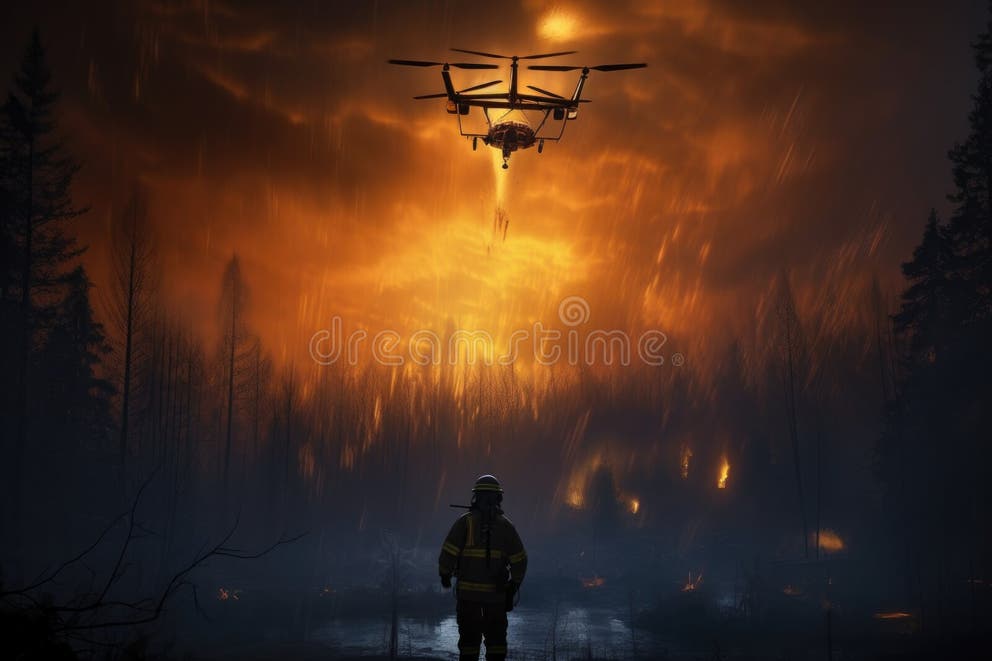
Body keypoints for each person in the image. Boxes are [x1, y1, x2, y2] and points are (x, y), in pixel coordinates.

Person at [438, 474, 527, 661]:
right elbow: (520, 559)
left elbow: (449, 551)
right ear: (499, 499)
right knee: (496, 645)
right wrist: (514, 584)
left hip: (468, 599)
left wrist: (445, 575)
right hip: (496, 599)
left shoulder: (465, 522)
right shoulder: (506, 526)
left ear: (475, 497)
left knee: (469, 645)